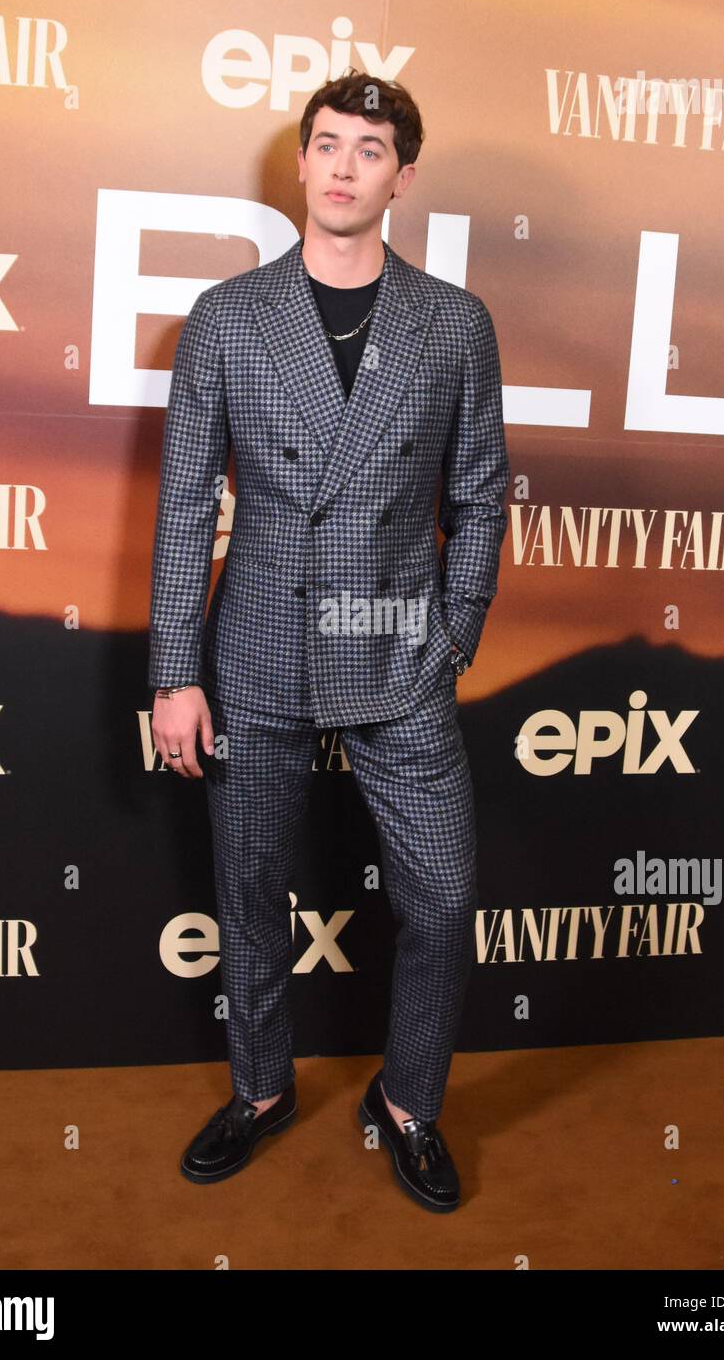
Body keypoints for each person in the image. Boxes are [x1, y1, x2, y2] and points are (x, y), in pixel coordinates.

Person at [148, 68, 509, 1212]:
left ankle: (407, 1100)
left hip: (401, 649)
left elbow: (484, 493)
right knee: (248, 891)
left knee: (444, 896)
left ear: (402, 174)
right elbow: (184, 503)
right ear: (300, 163)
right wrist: (174, 671)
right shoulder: (226, 318)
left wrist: (452, 635)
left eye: (371, 148)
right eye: (329, 144)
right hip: (256, 649)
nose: (346, 166)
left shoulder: (454, 323)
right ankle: (260, 1088)